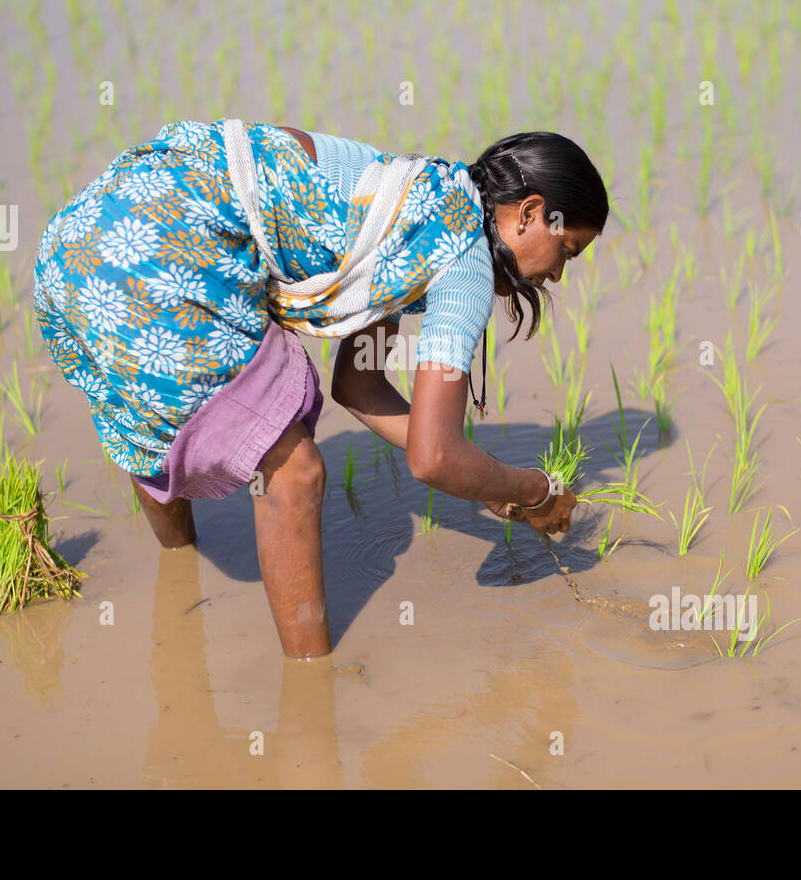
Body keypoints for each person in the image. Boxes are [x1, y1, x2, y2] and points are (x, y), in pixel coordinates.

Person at [33, 117, 609, 658]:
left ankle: (177, 572)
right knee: (295, 473)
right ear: (530, 213)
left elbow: (359, 386)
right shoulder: (466, 264)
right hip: (159, 254)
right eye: (568, 251)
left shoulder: (414, 200)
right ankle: (309, 690)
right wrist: (534, 491)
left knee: (163, 395)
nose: (557, 273)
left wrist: (484, 483)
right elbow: (434, 458)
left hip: (82, 240)